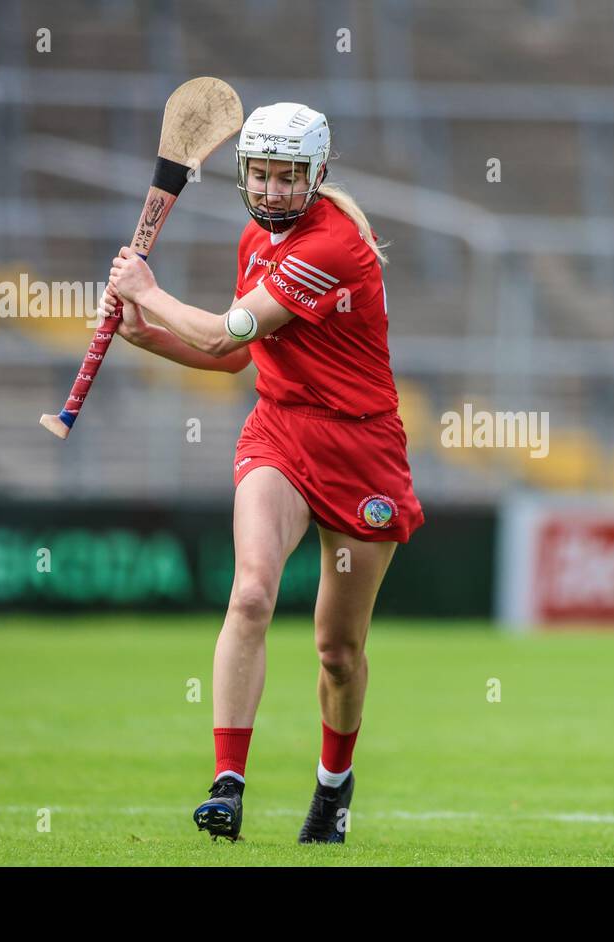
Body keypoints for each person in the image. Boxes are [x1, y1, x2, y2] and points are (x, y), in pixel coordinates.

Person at [102, 101, 424, 844]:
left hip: (361, 450)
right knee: (250, 592)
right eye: (261, 174)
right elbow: (235, 356)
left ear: (317, 175)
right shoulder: (256, 239)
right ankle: (227, 785)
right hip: (280, 430)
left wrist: (149, 293)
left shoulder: (333, 246)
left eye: (288, 176)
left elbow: (221, 330)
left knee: (337, 653)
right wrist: (142, 332)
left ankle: (333, 790)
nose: (273, 190)